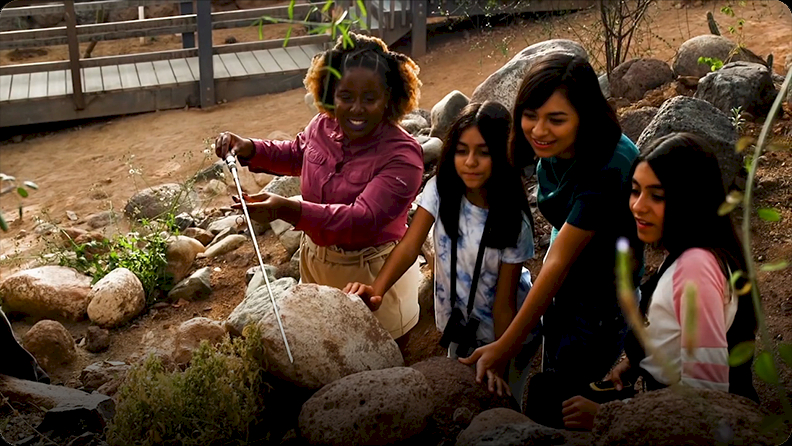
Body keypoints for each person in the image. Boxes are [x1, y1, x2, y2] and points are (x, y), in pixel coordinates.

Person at [459, 52, 643, 427]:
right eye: (530, 115)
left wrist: (505, 345)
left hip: (601, 305)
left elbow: (559, 259)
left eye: (556, 119)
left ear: (584, 116)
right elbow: (562, 239)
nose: (539, 130)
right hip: (570, 288)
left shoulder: (610, 165)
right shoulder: (557, 147)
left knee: (572, 406)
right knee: (555, 382)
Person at [213, 32, 424, 344]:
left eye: (370, 98)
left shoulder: (403, 157)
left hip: (373, 279)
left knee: (378, 368)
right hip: (316, 266)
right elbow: (296, 154)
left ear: (390, 99)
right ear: (329, 93)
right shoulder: (322, 127)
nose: (355, 109)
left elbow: (360, 220)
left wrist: (286, 209)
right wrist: (248, 148)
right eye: (345, 96)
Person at [560, 132, 759, 430]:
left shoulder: (695, 270)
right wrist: (637, 364)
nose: (638, 206)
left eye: (657, 195)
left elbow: (707, 399)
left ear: (690, 200)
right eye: (635, 191)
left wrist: (608, 418)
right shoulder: (695, 250)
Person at [344, 101, 536, 397]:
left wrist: (501, 356)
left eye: (483, 152)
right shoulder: (441, 190)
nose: (470, 161)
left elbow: (504, 303)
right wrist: (377, 289)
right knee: (459, 387)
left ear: (502, 154)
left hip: (505, 333)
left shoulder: (514, 220)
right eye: (462, 150)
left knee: (504, 399)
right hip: (459, 325)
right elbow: (409, 246)